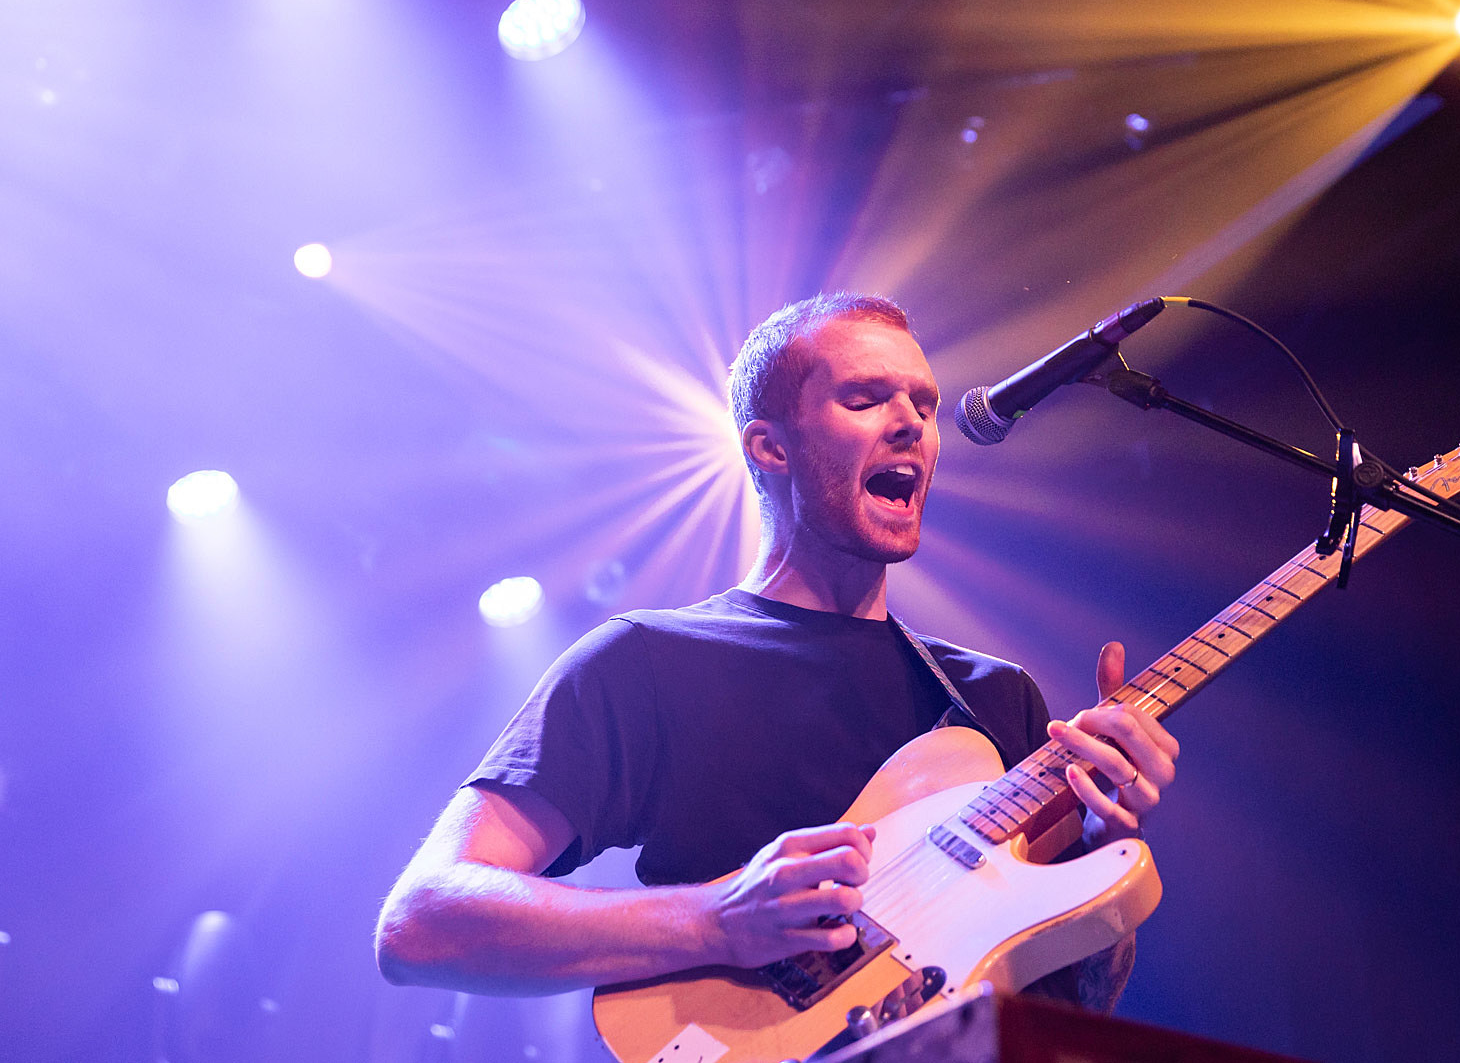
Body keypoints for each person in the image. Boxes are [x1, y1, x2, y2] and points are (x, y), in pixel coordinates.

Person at [375, 293, 1179, 1018]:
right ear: (770, 446)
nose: (911, 423)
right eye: (866, 398)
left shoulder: (996, 698)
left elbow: (1073, 1000)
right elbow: (422, 921)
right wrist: (719, 919)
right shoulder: (647, 662)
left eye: (925, 404)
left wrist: (1098, 847)